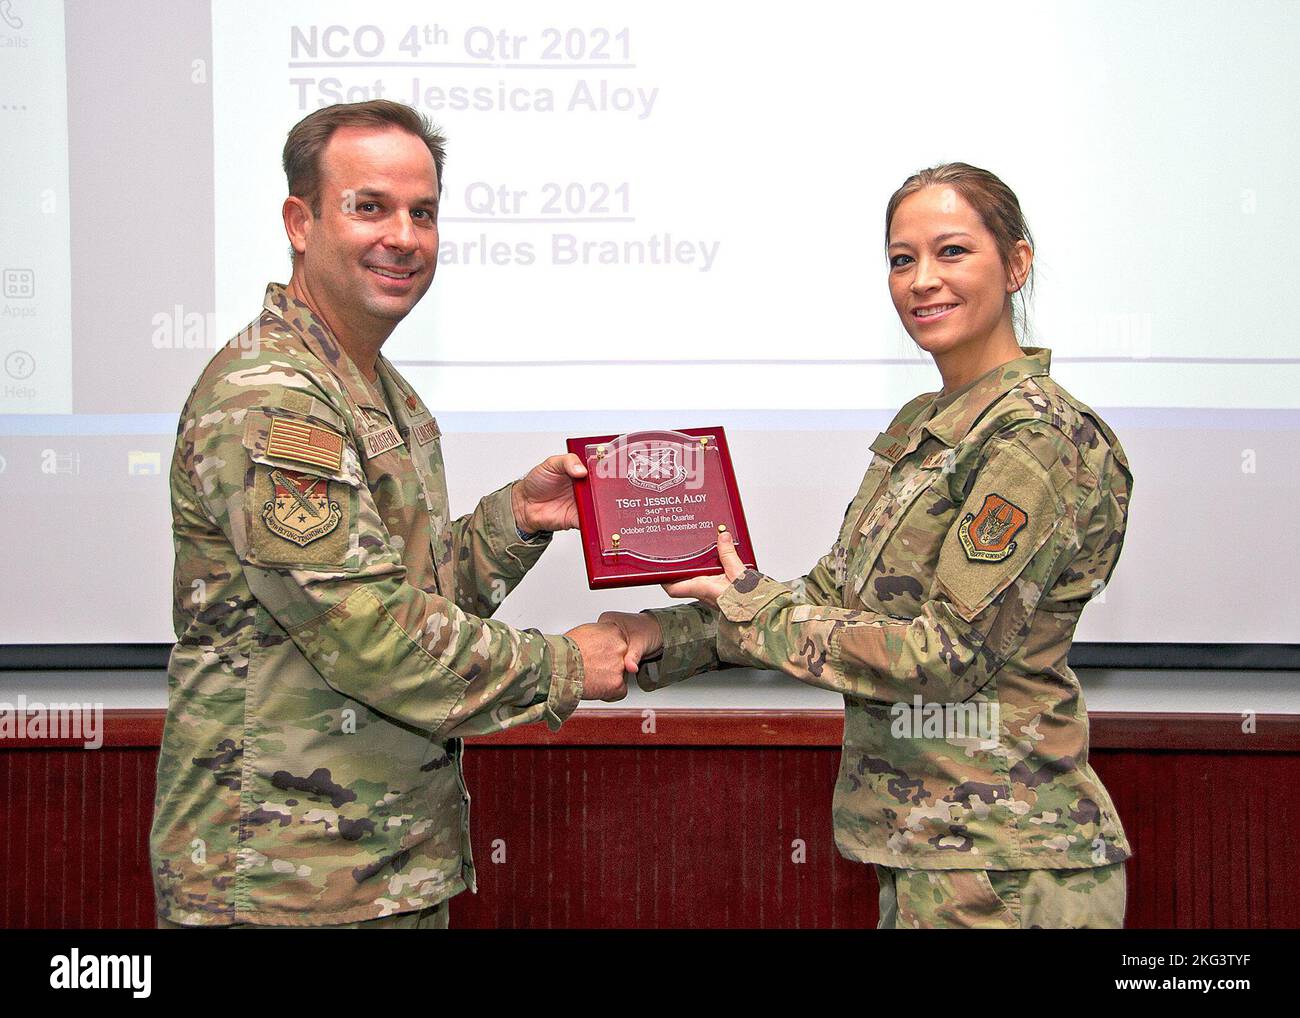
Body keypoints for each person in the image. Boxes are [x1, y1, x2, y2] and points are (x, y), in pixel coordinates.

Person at [602, 163, 1134, 929]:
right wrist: (657, 637)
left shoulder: (1035, 436)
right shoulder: (930, 424)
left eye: (952, 252)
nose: (922, 281)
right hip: (935, 854)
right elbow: (833, 601)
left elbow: (941, 657)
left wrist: (753, 606)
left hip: (1004, 862)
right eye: (901, 259)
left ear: (1017, 264)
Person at [150, 100, 629, 928]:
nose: (403, 236)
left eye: (424, 213)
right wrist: (562, 666)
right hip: (284, 879)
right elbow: (368, 635)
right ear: (301, 222)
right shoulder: (276, 397)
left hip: (381, 865)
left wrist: (513, 521)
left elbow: (406, 592)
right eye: (369, 207)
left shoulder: (375, 386)